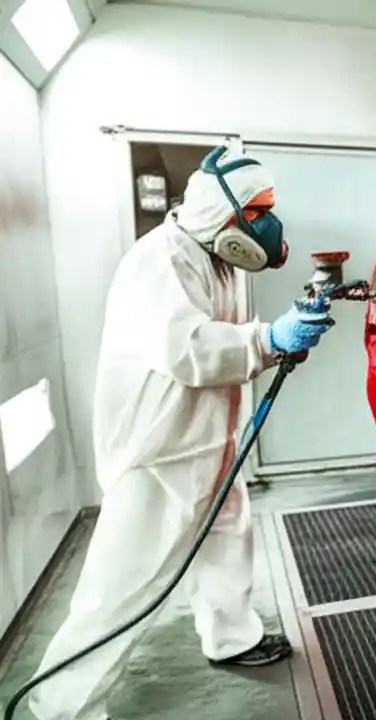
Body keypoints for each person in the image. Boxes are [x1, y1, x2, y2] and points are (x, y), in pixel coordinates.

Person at [28, 147, 334, 720]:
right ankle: (57, 706)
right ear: (222, 212)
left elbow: (221, 336)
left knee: (226, 537)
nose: (267, 224)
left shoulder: (215, 259)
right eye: (258, 211)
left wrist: (274, 333)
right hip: (157, 449)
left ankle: (231, 636)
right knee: (120, 587)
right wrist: (269, 339)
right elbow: (186, 347)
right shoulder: (159, 260)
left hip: (205, 438)